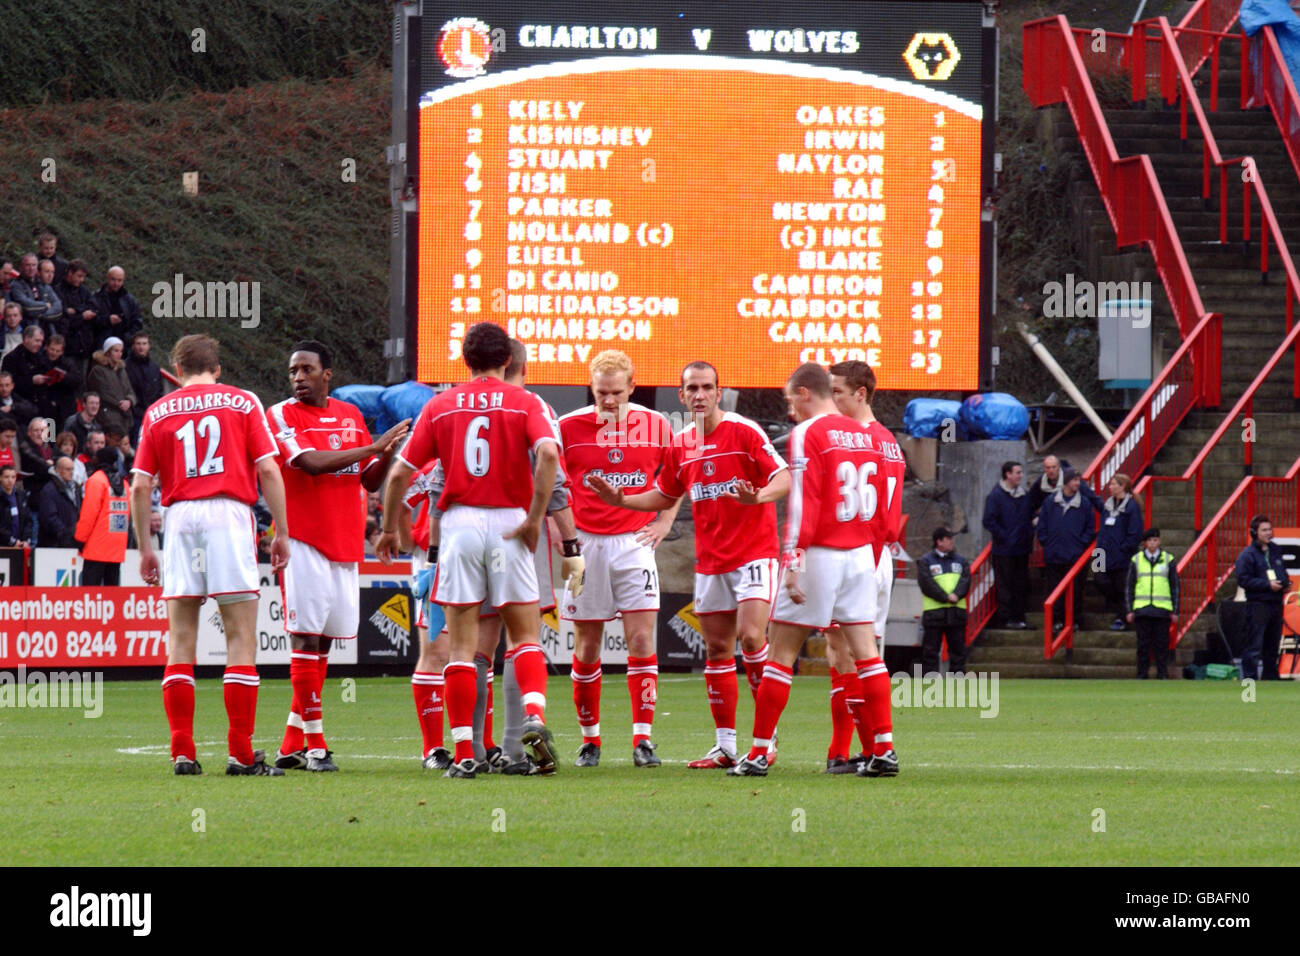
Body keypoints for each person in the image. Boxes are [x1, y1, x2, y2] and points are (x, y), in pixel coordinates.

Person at [374, 321, 561, 779]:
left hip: (458, 527)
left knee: (460, 648)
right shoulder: (525, 402)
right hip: (509, 523)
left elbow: (398, 475)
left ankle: (462, 755)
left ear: (466, 361)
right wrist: (534, 518)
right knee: (524, 637)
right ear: (508, 361)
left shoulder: (441, 405)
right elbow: (549, 455)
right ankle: (533, 714)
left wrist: (389, 529)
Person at [588, 359, 788, 769]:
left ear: (718, 392)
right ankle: (725, 746)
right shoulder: (680, 444)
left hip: (754, 553)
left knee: (752, 638)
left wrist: (759, 497)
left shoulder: (744, 431)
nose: (699, 395)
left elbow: (783, 477)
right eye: (692, 388)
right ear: (681, 396)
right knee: (716, 649)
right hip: (711, 560)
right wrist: (622, 500)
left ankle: (765, 740)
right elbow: (664, 494)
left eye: (706, 387)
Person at [131, 333, 291, 776]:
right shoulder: (243, 402)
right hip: (228, 515)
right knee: (240, 638)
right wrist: (281, 531)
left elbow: (141, 486)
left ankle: (182, 751)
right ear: (217, 369)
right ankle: (240, 753)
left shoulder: (157, 411)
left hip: (181, 517)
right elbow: (268, 468)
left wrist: (145, 548)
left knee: (181, 639)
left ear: (177, 370)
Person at [730, 363, 896, 778]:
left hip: (821, 553)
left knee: (781, 653)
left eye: (791, 400)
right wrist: (872, 554)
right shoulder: (865, 434)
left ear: (805, 393)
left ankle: (758, 753)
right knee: (866, 654)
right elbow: (882, 509)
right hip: (862, 553)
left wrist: (793, 561)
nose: (791, 411)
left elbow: (805, 504)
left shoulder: (809, 433)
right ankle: (884, 750)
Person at [264, 340, 410, 773]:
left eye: (307, 369)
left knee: (325, 643)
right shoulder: (281, 414)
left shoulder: (350, 415)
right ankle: (316, 746)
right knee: (305, 640)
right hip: (303, 540)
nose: (298, 378)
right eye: (293, 371)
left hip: (345, 542)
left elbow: (367, 481)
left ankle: (291, 744)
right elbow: (310, 463)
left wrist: (386, 454)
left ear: (327, 375)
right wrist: (373, 447)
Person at [558, 349, 680, 768]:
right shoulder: (568, 427)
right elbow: (550, 481)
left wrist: (664, 521)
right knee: (587, 644)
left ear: (632, 386)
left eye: (616, 392)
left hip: (634, 543)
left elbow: (676, 478)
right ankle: (590, 741)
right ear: (591, 388)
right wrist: (562, 534)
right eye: (601, 393)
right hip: (585, 545)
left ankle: (643, 740)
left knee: (641, 640)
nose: (609, 401)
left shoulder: (656, 424)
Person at [822, 359, 905, 772]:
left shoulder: (855, 440)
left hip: (857, 554)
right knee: (857, 651)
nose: (830, 399)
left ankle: (862, 749)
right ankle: (862, 749)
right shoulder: (888, 440)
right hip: (876, 556)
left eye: (836, 391)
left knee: (845, 652)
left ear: (861, 393)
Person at [1037, 467, 1101, 632]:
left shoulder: (1084, 503)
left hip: (1075, 556)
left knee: (1076, 591)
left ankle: (1074, 621)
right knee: (1054, 590)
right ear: (1066, 481)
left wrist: (1081, 544)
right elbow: (1042, 525)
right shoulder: (1050, 501)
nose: (1078, 483)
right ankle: (1056, 621)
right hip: (1054, 555)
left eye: (1078, 480)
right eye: (1075, 480)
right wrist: (1047, 543)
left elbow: (1090, 527)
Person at [1234, 515, 1288, 681]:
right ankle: (1249, 679)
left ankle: (1271, 678)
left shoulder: (1275, 550)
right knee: (1254, 646)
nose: (1268, 533)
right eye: (1264, 530)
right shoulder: (1247, 555)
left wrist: (1285, 583)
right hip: (1258, 604)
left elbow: (1281, 571)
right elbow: (1243, 579)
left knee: (1273, 645)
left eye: (1270, 529)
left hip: (1276, 603)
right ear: (1254, 532)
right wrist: (1267, 585)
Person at [982, 461, 1033, 629]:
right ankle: (1006, 619)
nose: (1020, 475)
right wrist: (1006, 537)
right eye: (1017, 472)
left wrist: (1028, 534)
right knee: (1005, 585)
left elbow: (1029, 517)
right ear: (1007, 474)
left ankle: (1019, 618)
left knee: (1021, 585)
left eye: (1020, 472)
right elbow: (988, 521)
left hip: (1021, 549)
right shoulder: (996, 496)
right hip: (1004, 550)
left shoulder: (1024, 495)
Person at [1125, 527, 1180, 679]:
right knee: (1143, 645)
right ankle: (1142, 674)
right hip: (1142, 608)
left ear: (1159, 541)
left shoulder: (1168, 559)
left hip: (1162, 609)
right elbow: (1129, 586)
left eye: (1155, 540)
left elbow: (1175, 586)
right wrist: (1129, 609)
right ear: (1145, 543)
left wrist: (1175, 610)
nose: (1152, 543)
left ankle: (1162, 673)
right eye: (1149, 540)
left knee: (1161, 644)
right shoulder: (1136, 560)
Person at [918, 526, 971, 674]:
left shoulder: (961, 560)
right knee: (930, 650)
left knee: (958, 650)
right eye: (948, 539)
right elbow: (926, 583)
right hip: (934, 613)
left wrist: (957, 595)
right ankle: (931, 681)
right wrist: (945, 597)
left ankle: (958, 679)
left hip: (956, 612)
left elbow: (966, 580)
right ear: (939, 541)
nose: (951, 541)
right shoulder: (926, 561)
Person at [1094, 473, 1144, 630]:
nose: (1110, 487)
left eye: (1113, 484)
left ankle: (1122, 619)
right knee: (1099, 579)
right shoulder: (1108, 505)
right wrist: (1098, 551)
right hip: (1103, 552)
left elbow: (1135, 533)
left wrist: (1123, 548)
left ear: (1122, 486)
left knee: (1122, 585)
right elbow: (1102, 529)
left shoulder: (1131, 507)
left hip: (1122, 555)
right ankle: (1115, 606)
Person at [86, 337, 138, 436]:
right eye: (116, 351)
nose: (119, 354)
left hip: (125, 418)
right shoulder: (98, 370)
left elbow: (130, 390)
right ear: (108, 352)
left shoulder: (122, 370)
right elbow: (104, 394)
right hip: (108, 417)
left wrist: (129, 401)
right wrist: (121, 404)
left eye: (121, 351)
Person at [55, 260, 99, 369]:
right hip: (68, 344)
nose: (81, 280)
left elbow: (94, 308)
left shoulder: (84, 291)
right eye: (79, 276)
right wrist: (82, 316)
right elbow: (63, 316)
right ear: (70, 273)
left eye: (83, 277)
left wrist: (76, 310)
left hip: (84, 344)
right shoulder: (58, 290)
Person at [125, 332, 164, 442]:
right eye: (138, 344)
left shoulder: (154, 367)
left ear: (149, 346)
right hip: (134, 416)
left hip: (152, 414)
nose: (141, 347)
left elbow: (159, 390)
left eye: (144, 343)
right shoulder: (126, 366)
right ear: (133, 346)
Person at [91, 266, 144, 346]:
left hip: (123, 345)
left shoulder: (129, 300)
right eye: (113, 279)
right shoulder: (96, 297)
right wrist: (107, 320)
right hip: (101, 344)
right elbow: (90, 320)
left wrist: (127, 337)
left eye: (119, 280)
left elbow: (137, 322)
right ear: (107, 278)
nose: (116, 283)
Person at [6, 254, 60, 331]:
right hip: (27, 330)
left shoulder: (44, 285)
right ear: (21, 267)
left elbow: (58, 309)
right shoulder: (16, 286)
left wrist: (40, 314)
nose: (31, 268)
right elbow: (27, 306)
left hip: (48, 331)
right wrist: (46, 305)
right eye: (28, 265)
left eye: (34, 265)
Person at [2, 325, 52, 405]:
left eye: (41, 341)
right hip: (21, 403)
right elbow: (8, 384)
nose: (40, 344)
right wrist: (31, 380)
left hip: (42, 402)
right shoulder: (11, 358)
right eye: (37, 340)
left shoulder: (41, 357)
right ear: (26, 339)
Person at [37, 456, 81, 547]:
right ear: (58, 470)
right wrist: (65, 534)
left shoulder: (76, 488)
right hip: (54, 543)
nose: (71, 472)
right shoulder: (49, 490)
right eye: (68, 469)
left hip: (71, 540)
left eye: (72, 469)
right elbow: (49, 517)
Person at [42, 334, 82, 425]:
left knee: (65, 432)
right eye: (52, 349)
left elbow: (78, 380)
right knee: (49, 432)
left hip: (65, 407)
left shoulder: (68, 363)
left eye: (57, 351)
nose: (54, 353)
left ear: (62, 351)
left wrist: (64, 377)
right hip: (47, 406)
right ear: (46, 347)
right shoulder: (39, 361)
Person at [17, 416, 55, 497]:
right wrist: (50, 465)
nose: (39, 433)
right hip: (32, 491)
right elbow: (38, 464)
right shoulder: (25, 447)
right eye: (36, 430)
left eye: (42, 430)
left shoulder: (50, 448)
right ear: (29, 432)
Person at [0, 464, 33, 548]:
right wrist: (11, 540)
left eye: (13, 477)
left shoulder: (21, 496)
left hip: (20, 545)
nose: (10, 480)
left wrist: (26, 539)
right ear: (0, 478)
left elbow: (28, 521)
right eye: (6, 477)